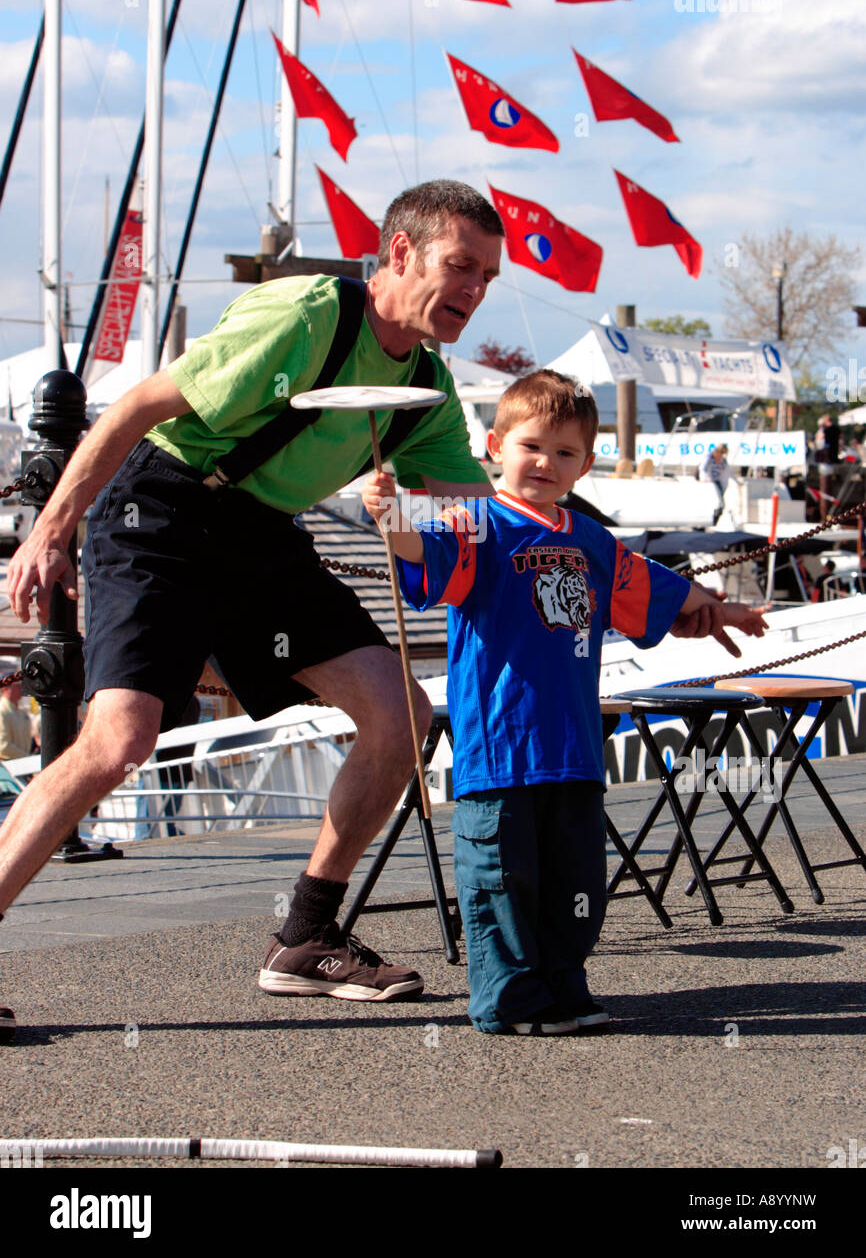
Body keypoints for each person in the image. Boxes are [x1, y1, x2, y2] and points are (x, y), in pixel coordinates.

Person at [0, 180, 510, 1039]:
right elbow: (135, 407)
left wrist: (431, 522)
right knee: (118, 740)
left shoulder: (423, 386)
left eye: (488, 278)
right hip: (160, 508)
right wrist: (50, 529)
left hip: (261, 533)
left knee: (402, 712)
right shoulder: (307, 315)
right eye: (460, 266)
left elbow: (474, 516)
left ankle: (305, 937)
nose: (473, 290)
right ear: (399, 253)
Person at [362, 371, 768, 1036]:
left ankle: (564, 983)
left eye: (566, 453)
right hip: (500, 748)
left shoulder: (590, 540)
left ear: (585, 462)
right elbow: (424, 556)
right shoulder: (477, 524)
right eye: (531, 446)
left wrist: (719, 607)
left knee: (575, 877)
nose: (546, 463)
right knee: (502, 877)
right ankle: (510, 998)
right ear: (495, 445)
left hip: (574, 745)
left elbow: (649, 587)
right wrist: (390, 516)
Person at [699, 443, 731, 522]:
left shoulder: (723, 460)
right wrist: (705, 479)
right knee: (718, 502)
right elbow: (702, 468)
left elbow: (728, 470)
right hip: (710, 482)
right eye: (722, 453)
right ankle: (711, 520)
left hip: (718, 481)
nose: (723, 455)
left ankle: (714, 519)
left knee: (721, 503)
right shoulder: (709, 457)